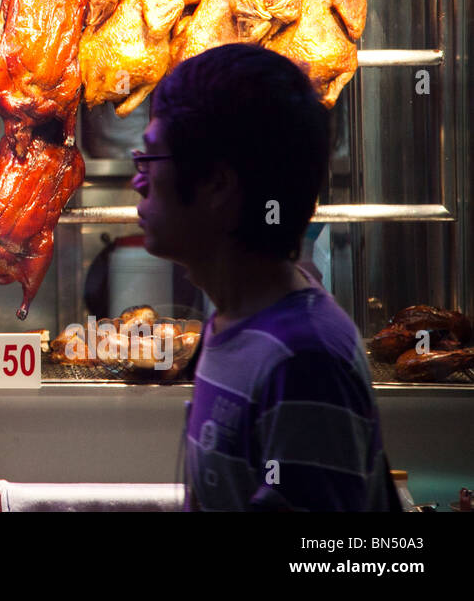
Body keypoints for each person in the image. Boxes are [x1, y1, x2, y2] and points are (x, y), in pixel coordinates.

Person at [133, 44, 392, 511]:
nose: (138, 180)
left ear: (217, 184)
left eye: (151, 158)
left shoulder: (304, 360)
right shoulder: (235, 323)